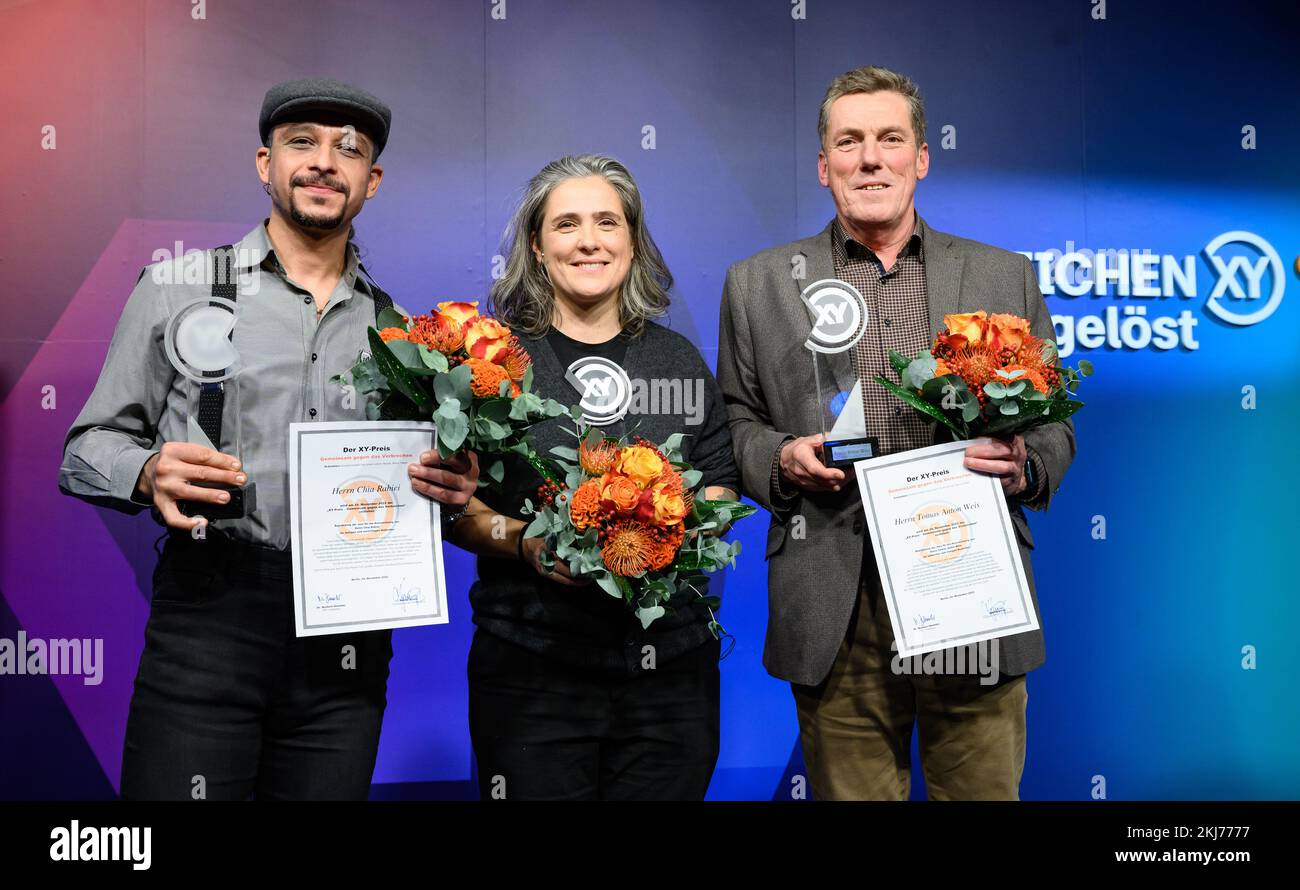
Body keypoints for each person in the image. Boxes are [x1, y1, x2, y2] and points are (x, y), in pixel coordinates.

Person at [58, 78, 479, 800]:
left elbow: (412, 492)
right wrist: (149, 470)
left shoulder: (404, 334)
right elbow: (85, 447)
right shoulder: (178, 287)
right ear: (265, 164)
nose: (324, 162)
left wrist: (450, 493)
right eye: (302, 143)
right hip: (210, 615)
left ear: (370, 180)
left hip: (350, 636)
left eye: (348, 150)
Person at [716, 65, 1077, 800]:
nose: (869, 158)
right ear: (824, 166)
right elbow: (736, 422)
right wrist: (781, 458)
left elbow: (1054, 427)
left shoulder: (1004, 277)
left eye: (889, 139)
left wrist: (1024, 464)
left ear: (922, 157)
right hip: (835, 602)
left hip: (969, 588)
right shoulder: (757, 284)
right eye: (848, 142)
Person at [447, 154, 740, 800]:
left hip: (669, 679)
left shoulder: (677, 360)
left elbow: (720, 481)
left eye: (608, 222)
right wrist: (523, 541)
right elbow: (456, 507)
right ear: (536, 245)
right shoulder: (494, 361)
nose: (588, 241)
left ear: (632, 243)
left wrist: (677, 533)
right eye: (567, 224)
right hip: (530, 674)